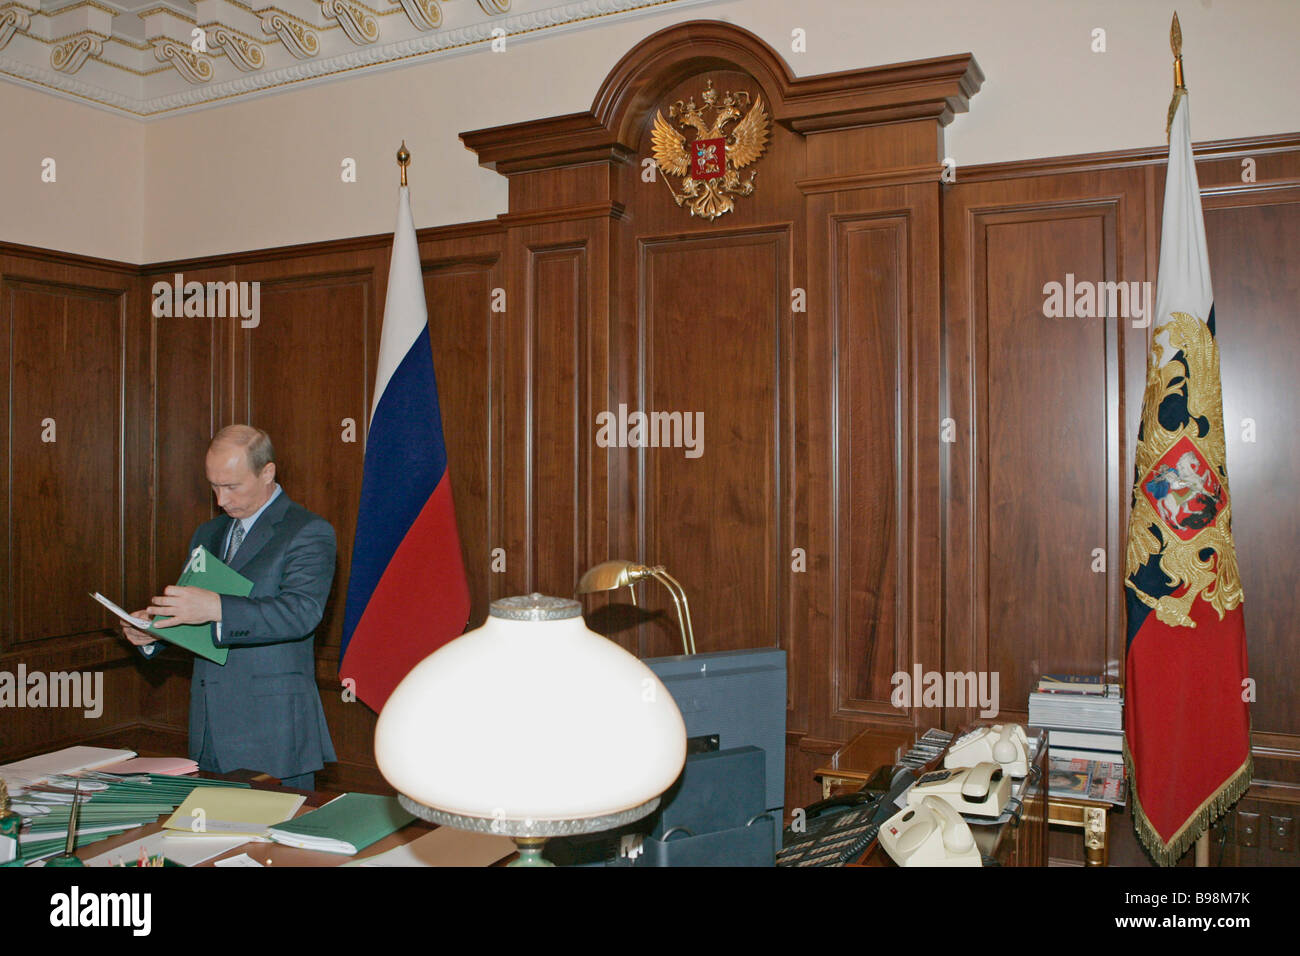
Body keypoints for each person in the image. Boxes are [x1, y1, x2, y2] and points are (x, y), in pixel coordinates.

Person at [123, 425, 337, 790]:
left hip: (274, 731)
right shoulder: (208, 533)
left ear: (267, 473)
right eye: (214, 486)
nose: (221, 500)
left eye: (232, 486)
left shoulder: (308, 531)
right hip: (208, 729)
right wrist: (153, 632)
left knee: (276, 845)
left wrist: (218, 607)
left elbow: (301, 613)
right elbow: (197, 617)